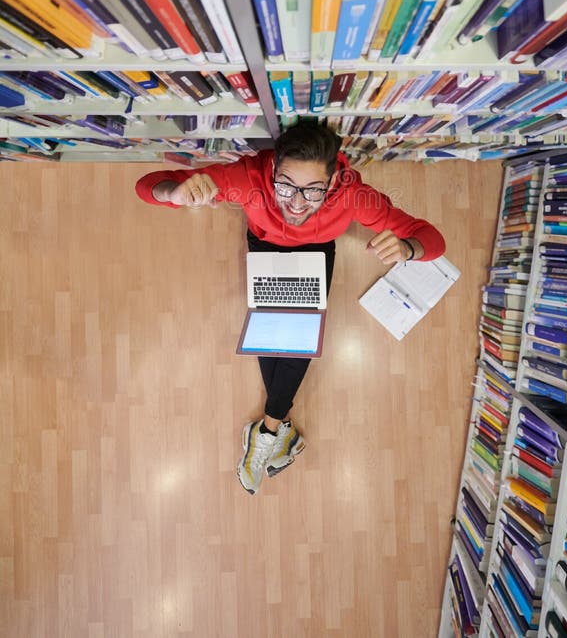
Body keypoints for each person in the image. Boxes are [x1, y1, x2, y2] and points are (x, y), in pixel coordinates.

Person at [135, 123, 445, 494]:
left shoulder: (354, 195)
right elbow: (147, 186)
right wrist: (175, 192)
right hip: (265, 247)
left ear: (333, 181)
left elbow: (433, 239)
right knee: (269, 336)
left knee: (298, 341)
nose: (297, 204)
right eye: (285, 186)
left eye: (313, 190)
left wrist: (409, 249)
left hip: (317, 254)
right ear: (272, 171)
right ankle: (278, 430)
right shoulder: (247, 178)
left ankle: (269, 430)